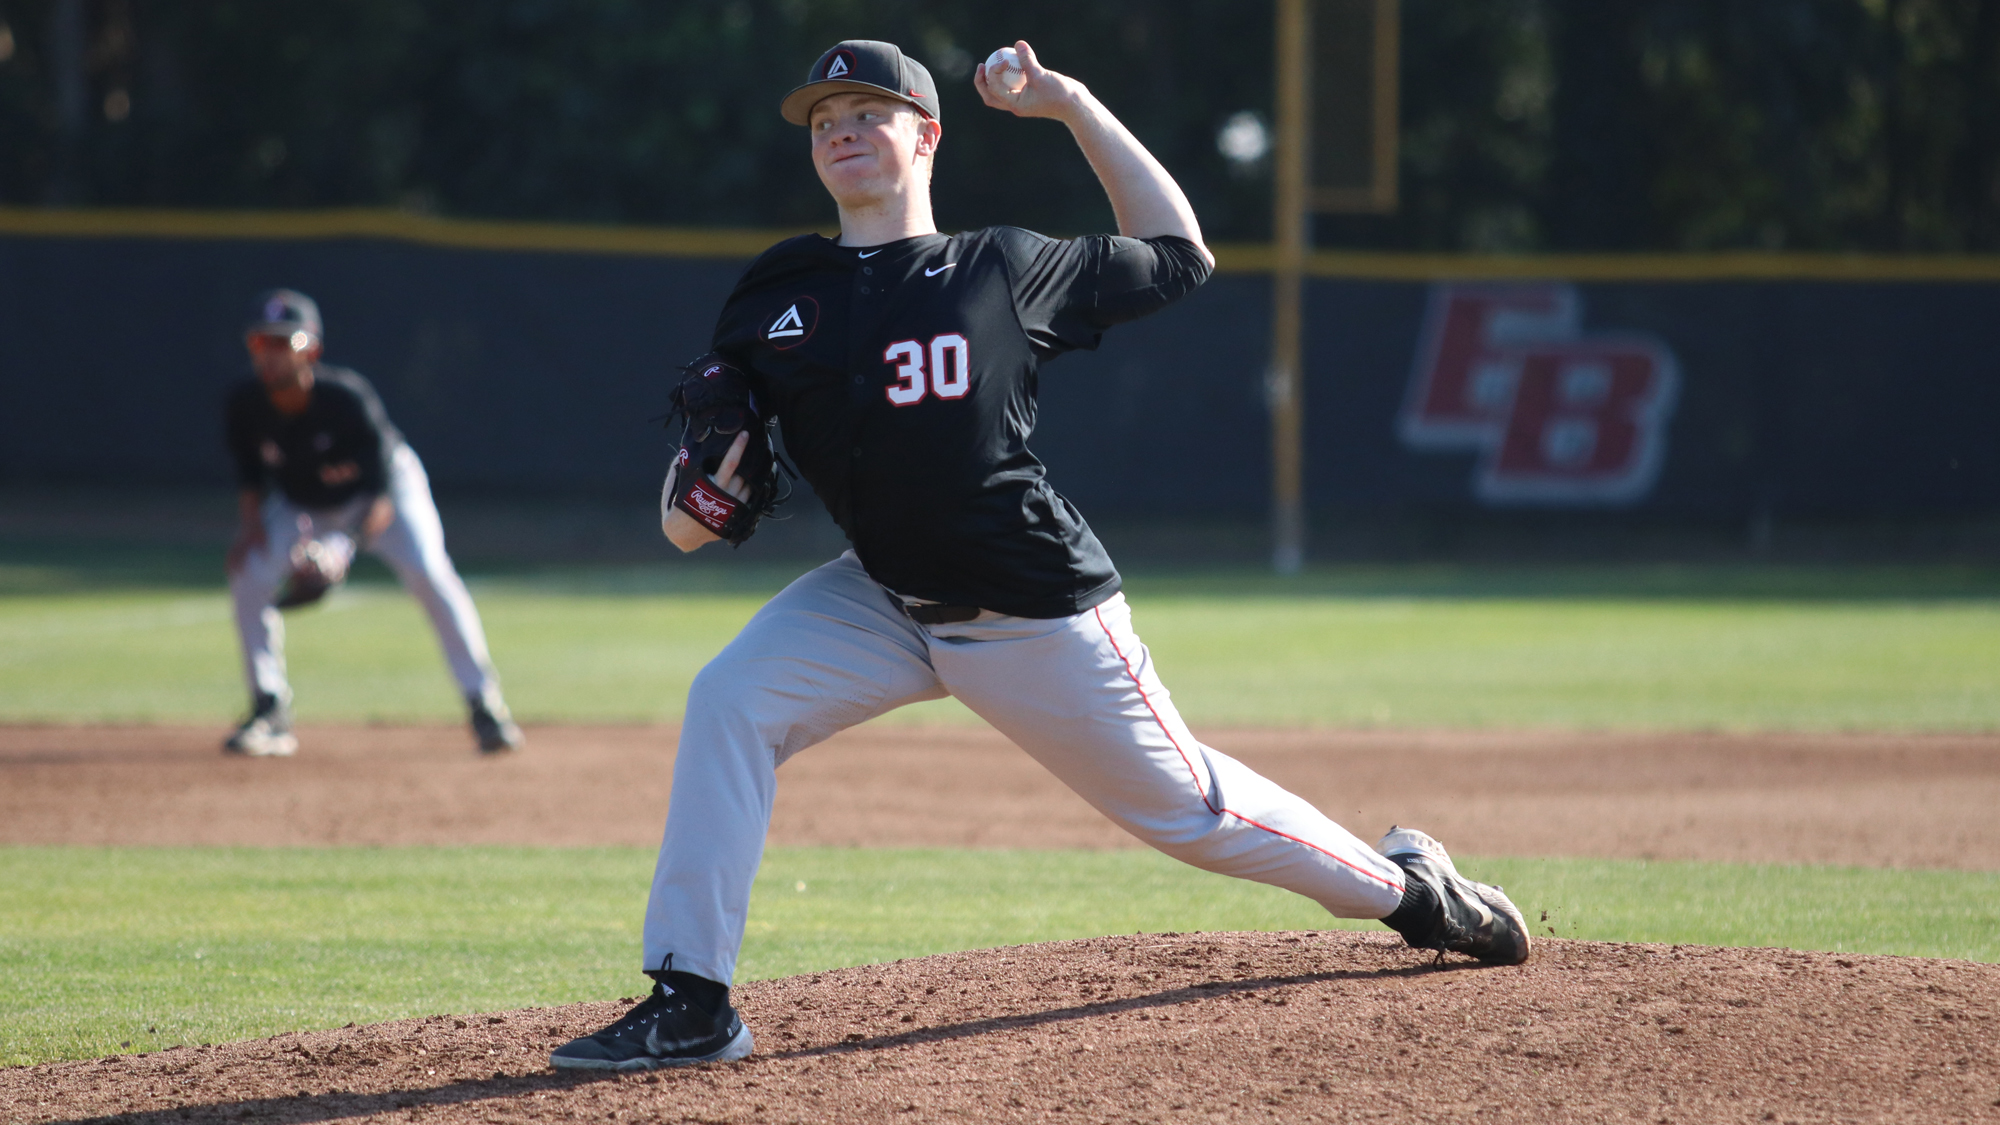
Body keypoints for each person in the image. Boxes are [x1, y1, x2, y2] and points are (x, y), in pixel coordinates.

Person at [550, 40, 1528, 1072]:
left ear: (924, 136)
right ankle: (694, 999)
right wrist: (691, 495)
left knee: (1192, 814)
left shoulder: (1000, 266)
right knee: (729, 699)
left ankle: (1411, 892)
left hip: (1028, 604)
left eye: (865, 111)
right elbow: (691, 502)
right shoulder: (777, 290)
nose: (838, 128)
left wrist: (1072, 106)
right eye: (822, 118)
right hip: (882, 596)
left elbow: (1178, 253)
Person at [221, 289, 524, 758]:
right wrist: (249, 531)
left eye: (284, 342)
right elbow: (249, 475)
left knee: (428, 571)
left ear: (312, 350)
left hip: (384, 496)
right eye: (262, 343)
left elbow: (380, 498)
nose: (272, 355)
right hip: (305, 503)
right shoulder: (245, 402)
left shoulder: (346, 399)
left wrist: (340, 552)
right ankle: (269, 708)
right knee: (249, 572)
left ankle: (485, 705)